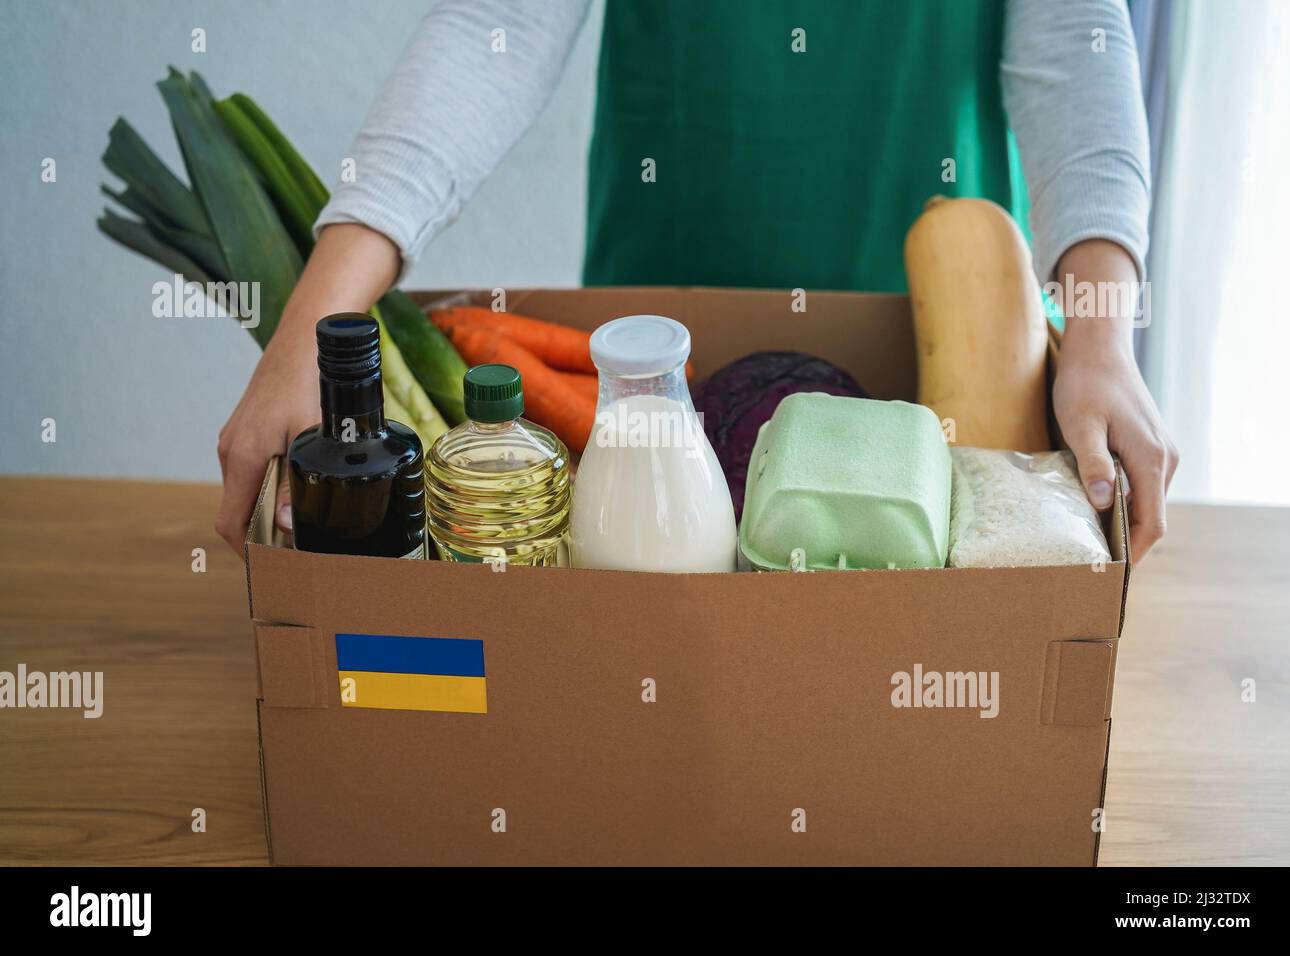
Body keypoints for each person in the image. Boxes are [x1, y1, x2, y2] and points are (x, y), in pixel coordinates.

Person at [216, 0, 1178, 562]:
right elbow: (496, 26)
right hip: (654, 361)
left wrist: (1096, 335)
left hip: (951, 343)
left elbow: (1075, 48)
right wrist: (318, 317)